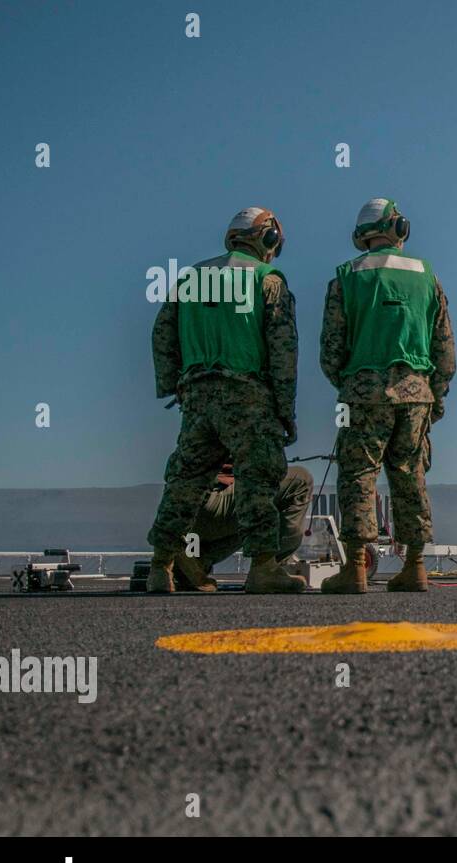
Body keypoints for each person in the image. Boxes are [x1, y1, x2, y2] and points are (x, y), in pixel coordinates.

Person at [146, 207, 305, 594]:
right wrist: (285, 411)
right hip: (248, 396)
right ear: (266, 239)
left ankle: (160, 567)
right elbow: (284, 352)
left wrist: (177, 387)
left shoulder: (190, 279)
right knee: (259, 479)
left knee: (184, 481)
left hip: (198, 398)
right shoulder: (269, 281)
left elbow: (162, 337)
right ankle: (264, 566)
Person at [318, 198, 455, 593]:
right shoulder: (427, 276)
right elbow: (444, 349)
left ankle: (356, 569)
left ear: (363, 235)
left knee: (360, 474)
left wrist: (350, 384)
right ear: (399, 228)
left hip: (362, 391)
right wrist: (436, 395)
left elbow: (331, 349)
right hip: (417, 394)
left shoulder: (346, 276)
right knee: (410, 474)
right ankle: (415, 567)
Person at [172, 464, 314, 591]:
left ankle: (192, 563)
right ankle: (265, 569)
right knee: (300, 478)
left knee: (247, 518)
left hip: (185, 514)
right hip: (213, 499)